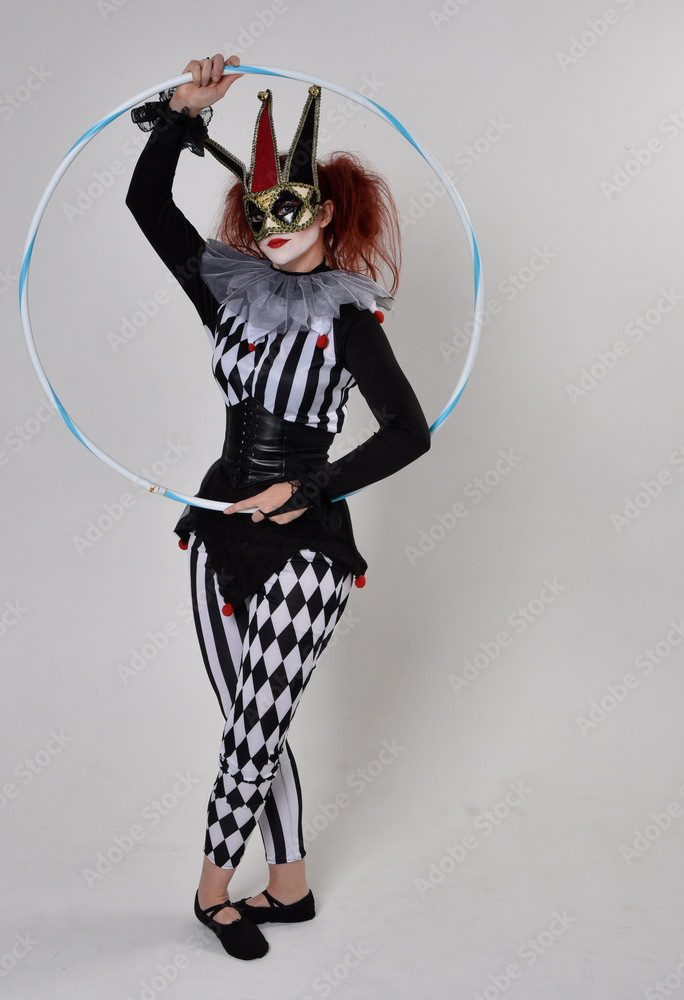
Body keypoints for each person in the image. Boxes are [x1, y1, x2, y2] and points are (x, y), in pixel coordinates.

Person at [125, 53, 431, 960]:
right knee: (250, 726)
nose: (273, 229)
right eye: (260, 213)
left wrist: (311, 488)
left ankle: (212, 892)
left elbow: (408, 432)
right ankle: (287, 886)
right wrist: (181, 116)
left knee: (256, 724)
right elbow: (149, 210)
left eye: (292, 209)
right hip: (216, 535)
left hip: (307, 550)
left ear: (328, 212)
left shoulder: (347, 321)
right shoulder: (232, 297)